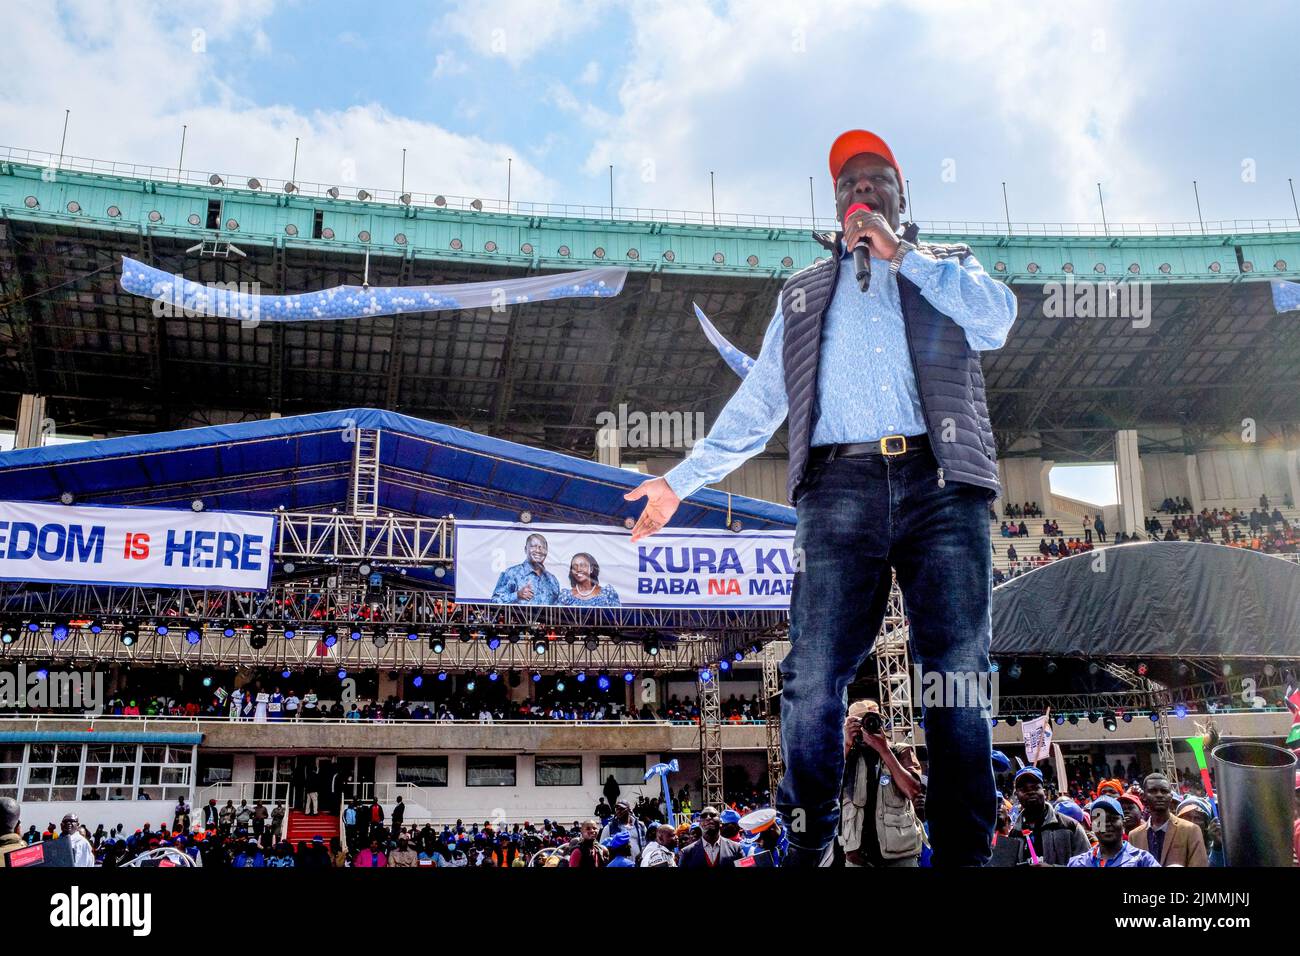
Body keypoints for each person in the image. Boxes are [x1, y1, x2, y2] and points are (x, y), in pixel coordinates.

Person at [624, 128, 1015, 868]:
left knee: (957, 667)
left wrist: (906, 257)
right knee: (811, 672)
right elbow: (760, 402)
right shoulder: (803, 293)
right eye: (847, 187)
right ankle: (806, 840)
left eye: (875, 183)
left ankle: (963, 849)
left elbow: (1000, 321)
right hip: (839, 489)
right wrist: (680, 483)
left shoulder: (949, 268)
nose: (860, 195)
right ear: (834, 207)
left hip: (942, 485)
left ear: (903, 197)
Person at [839, 698, 925, 867]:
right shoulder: (845, 756)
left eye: (870, 721)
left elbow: (913, 791)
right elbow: (826, 791)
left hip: (900, 853)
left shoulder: (900, 750)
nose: (866, 727)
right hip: (857, 856)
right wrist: (846, 745)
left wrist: (884, 750)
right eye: (860, 722)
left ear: (881, 723)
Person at [1008, 767, 1089, 866]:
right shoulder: (1014, 834)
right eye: (1024, 789)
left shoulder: (1070, 826)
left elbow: (1088, 863)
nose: (1030, 792)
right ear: (1017, 795)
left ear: (1045, 792)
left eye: (1035, 787)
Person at [1129, 772, 1208, 866]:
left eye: (1164, 791)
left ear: (1170, 797)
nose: (1159, 795)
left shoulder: (1191, 830)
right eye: (1153, 791)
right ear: (1144, 796)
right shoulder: (1134, 836)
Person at [1068, 797, 1158, 867]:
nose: (1106, 824)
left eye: (1113, 819)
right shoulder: (1076, 863)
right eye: (1100, 820)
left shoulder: (1143, 860)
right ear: (1092, 826)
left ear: (1123, 822)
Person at [491, 533, 561, 605]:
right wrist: (517, 595)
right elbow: (495, 601)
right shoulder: (511, 573)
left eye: (542, 547)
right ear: (525, 549)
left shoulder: (552, 580)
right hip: (518, 616)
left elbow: (558, 609)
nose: (538, 550)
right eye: (533, 546)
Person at [679, 807, 746, 868]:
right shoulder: (687, 852)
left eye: (713, 815)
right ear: (699, 824)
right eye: (704, 816)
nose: (708, 818)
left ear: (720, 822)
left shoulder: (736, 848)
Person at [557, 552, 621, 606]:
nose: (578, 569)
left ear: (591, 569)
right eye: (574, 567)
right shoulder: (566, 596)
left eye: (583, 565)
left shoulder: (607, 593)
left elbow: (618, 618)